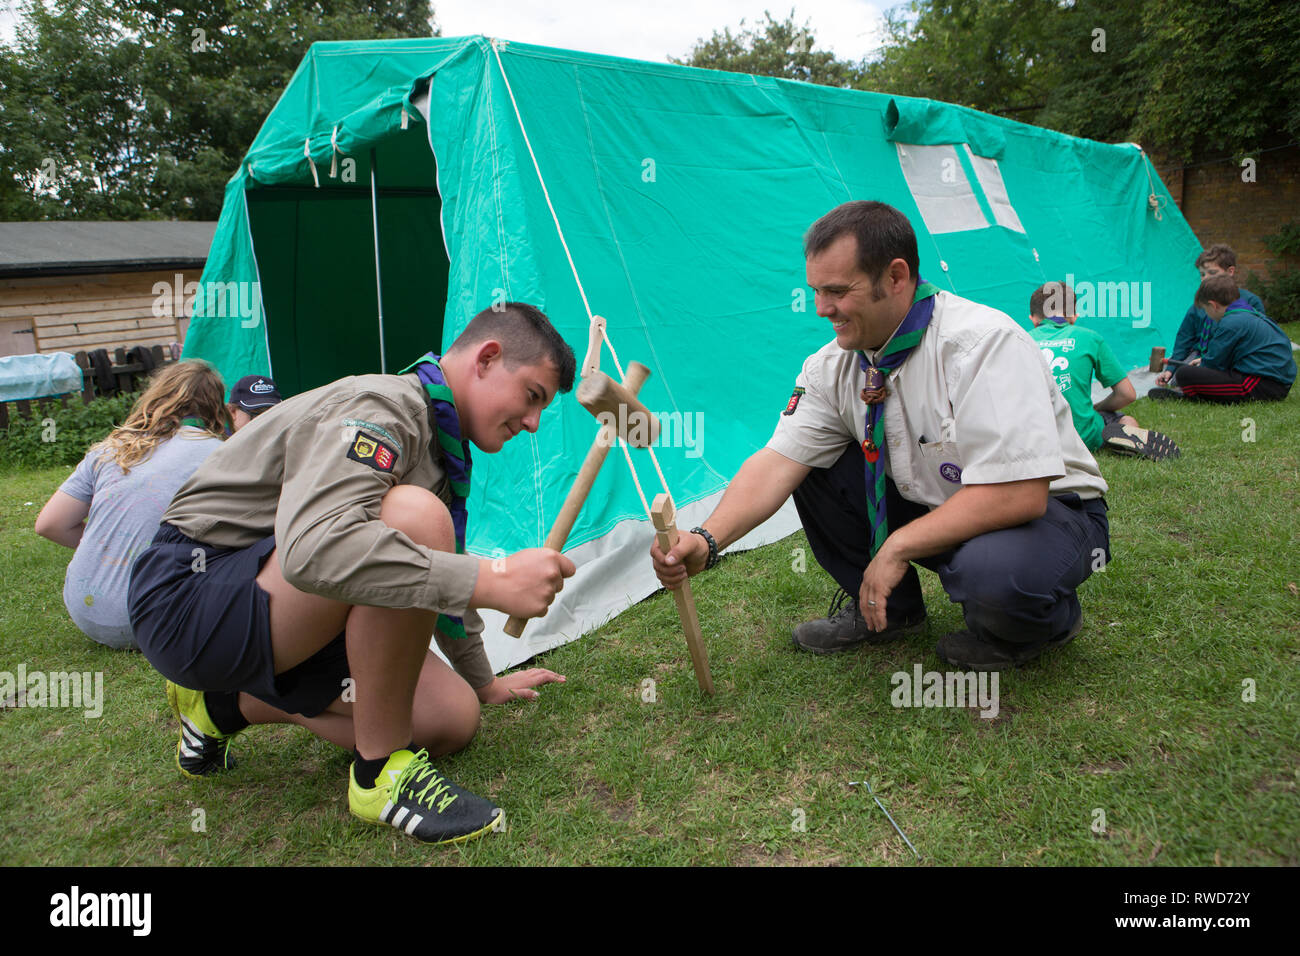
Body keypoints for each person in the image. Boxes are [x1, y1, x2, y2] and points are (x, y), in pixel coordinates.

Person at [127, 303, 578, 846]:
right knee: (414, 517)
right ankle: (379, 775)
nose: (532, 423)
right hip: (187, 599)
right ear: (487, 357)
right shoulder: (382, 407)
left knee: (452, 719)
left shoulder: (436, 438)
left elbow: (420, 578)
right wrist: (488, 579)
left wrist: (483, 683)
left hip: (276, 600)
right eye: (533, 396)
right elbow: (316, 548)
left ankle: (221, 705)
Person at [652, 201, 1110, 672]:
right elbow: (777, 461)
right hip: (941, 502)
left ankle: (1042, 624)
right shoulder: (830, 367)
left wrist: (898, 546)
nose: (820, 309)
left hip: (1052, 512)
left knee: (996, 572)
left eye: (836, 291)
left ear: (896, 277)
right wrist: (706, 540)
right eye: (815, 291)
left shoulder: (983, 344)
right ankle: (892, 615)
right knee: (812, 466)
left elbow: (1019, 493)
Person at [34, 361, 228, 649]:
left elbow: (49, 525)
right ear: (217, 405)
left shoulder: (114, 446)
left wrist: (110, 547)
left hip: (86, 611)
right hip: (154, 619)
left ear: (156, 394)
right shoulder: (218, 453)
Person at [1027, 281, 1179, 460]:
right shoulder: (1089, 338)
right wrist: (1096, 407)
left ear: (1033, 319)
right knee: (1121, 419)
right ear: (1074, 316)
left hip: (1030, 438)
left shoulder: (1020, 339)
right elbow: (1127, 394)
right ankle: (1130, 437)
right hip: (1081, 436)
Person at [1150, 274, 1295, 402]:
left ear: (1213, 306)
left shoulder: (1230, 322)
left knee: (1185, 374)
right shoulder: (1247, 312)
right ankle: (1189, 393)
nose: (1207, 314)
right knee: (1194, 372)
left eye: (1206, 310)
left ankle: (1188, 394)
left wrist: (1202, 363)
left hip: (1261, 385)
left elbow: (1213, 365)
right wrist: (1203, 360)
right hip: (1276, 382)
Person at [1167, 244, 1267, 370]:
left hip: (1232, 358)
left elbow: (1255, 341)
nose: (1206, 279)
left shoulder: (1250, 302)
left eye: (1212, 273)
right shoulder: (1199, 304)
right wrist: (1171, 369)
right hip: (1199, 355)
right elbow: (1184, 340)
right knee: (1182, 375)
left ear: (1230, 271)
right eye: (1202, 274)